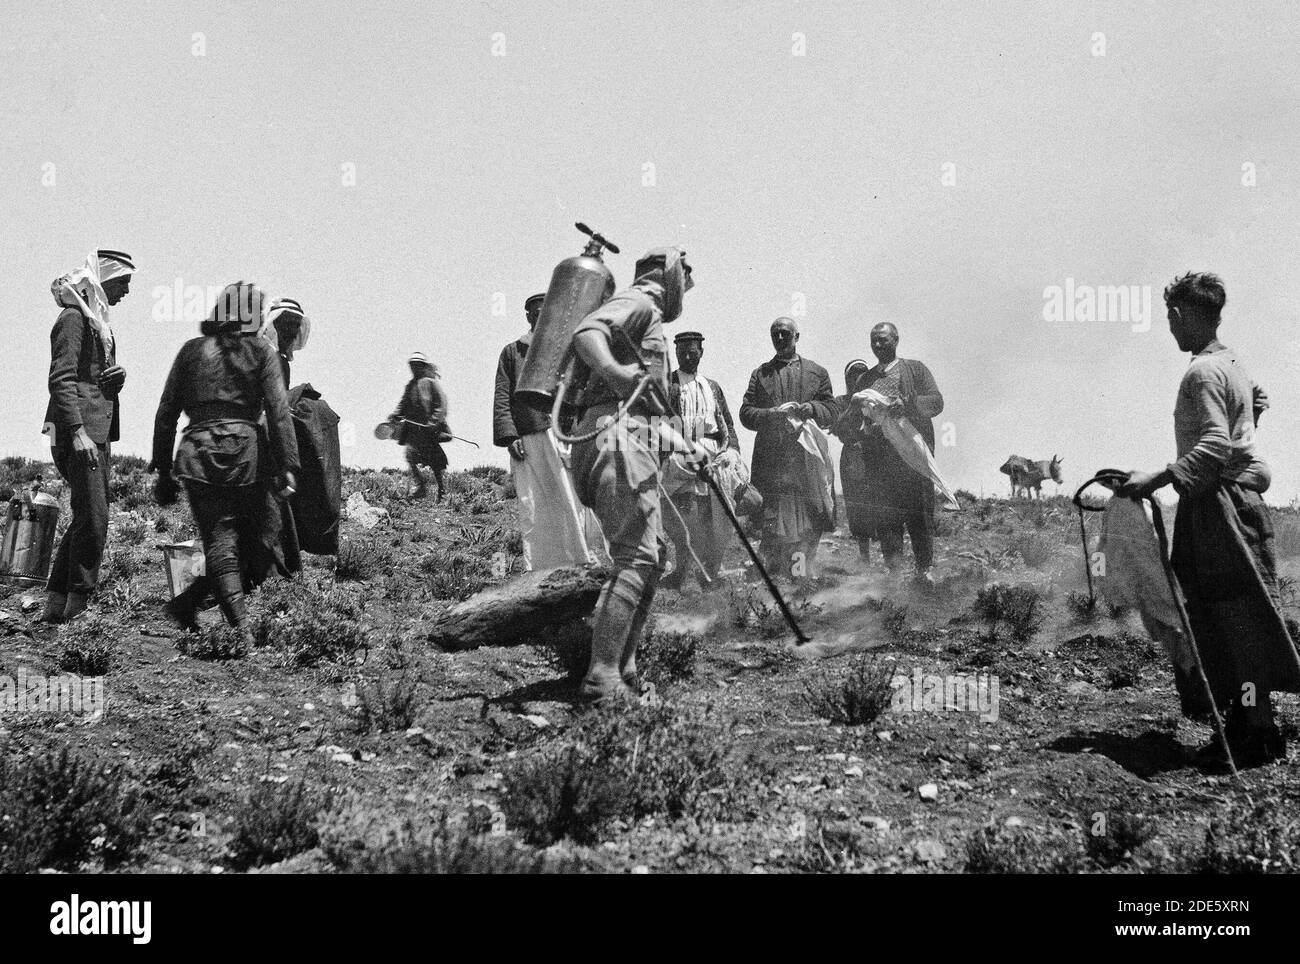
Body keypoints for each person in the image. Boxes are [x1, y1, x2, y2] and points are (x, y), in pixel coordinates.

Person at [1118, 271, 1300, 767]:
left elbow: (1217, 444)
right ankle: (1253, 723)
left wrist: (1155, 479)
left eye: (1171, 318)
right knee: (1241, 614)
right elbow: (1248, 414)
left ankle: (1254, 734)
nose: (1170, 328)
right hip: (1239, 503)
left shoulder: (1201, 373)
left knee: (1227, 615)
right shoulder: (1233, 363)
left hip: (1217, 509)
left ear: (1181, 315)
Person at [569, 246, 693, 701]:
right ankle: (601, 676)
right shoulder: (641, 301)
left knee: (652, 555)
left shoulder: (650, 320)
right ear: (667, 274)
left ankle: (626, 666)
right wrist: (614, 371)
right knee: (637, 557)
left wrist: (687, 447)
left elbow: (652, 409)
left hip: (630, 437)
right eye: (687, 276)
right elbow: (587, 332)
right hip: (616, 439)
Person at [151, 283, 299, 641]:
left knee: (238, 541)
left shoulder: (191, 351)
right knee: (229, 542)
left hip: (198, 455)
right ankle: (241, 631)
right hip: (245, 456)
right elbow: (279, 413)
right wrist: (288, 465)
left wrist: (163, 467)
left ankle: (187, 603)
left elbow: (167, 412)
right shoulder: (261, 351)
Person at [41, 249, 134, 622]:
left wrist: (118, 378)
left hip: (95, 432)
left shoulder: (97, 322)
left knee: (86, 516)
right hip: (78, 433)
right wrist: (77, 433)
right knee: (95, 518)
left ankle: (54, 610)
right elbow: (60, 379)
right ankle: (77, 611)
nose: (127, 291)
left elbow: (89, 379)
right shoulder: (73, 319)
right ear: (104, 278)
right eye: (124, 282)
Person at [493, 293, 601, 569]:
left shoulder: (568, 349)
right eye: (534, 312)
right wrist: (510, 436)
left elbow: (581, 391)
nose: (539, 316)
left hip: (564, 434)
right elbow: (503, 395)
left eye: (545, 311)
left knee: (573, 498)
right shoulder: (512, 352)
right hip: (529, 437)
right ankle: (541, 566)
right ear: (527, 316)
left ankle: (582, 559)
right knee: (534, 504)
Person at [739, 317, 836, 581]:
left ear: (797, 336)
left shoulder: (817, 373)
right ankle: (773, 580)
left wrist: (812, 409)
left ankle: (800, 579)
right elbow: (746, 414)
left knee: (808, 520)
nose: (780, 339)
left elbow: (832, 411)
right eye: (775, 335)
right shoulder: (761, 374)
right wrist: (770, 414)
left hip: (806, 460)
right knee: (774, 519)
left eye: (785, 334)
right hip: (773, 461)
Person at [848, 322, 944, 581]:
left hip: (912, 459)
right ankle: (894, 579)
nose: (878, 345)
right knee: (887, 520)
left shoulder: (915, 370)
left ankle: (925, 573)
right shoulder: (865, 379)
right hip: (880, 461)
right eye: (873, 341)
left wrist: (909, 405)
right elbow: (854, 418)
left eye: (883, 340)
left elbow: (936, 402)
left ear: (896, 340)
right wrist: (864, 421)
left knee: (919, 516)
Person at [660, 330, 741, 590]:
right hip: (680, 456)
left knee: (716, 519)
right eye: (681, 352)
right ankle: (680, 573)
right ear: (675, 353)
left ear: (701, 352)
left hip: (712, 456)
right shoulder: (668, 384)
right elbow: (659, 423)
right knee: (686, 518)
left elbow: (726, 422)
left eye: (692, 351)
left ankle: (710, 574)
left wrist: (731, 451)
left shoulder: (712, 386)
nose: (687, 356)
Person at [829, 358, 875, 562]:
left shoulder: (874, 398)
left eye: (862, 374)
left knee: (878, 501)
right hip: (852, 455)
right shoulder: (841, 402)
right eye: (853, 374)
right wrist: (852, 408)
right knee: (856, 504)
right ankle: (864, 556)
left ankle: (891, 559)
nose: (858, 378)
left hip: (875, 454)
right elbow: (834, 427)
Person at [389, 352, 449, 500]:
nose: (414, 368)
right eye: (412, 365)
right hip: (413, 431)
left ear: (422, 366)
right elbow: (403, 404)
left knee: (435, 461)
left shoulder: (431, 383)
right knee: (410, 456)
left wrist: (433, 422)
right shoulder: (410, 386)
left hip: (429, 431)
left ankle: (442, 490)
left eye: (417, 365)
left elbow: (441, 405)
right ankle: (421, 486)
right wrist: (396, 414)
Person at [261, 297, 310, 387]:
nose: (292, 332)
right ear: (273, 324)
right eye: (289, 324)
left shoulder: (282, 363)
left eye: (296, 326)